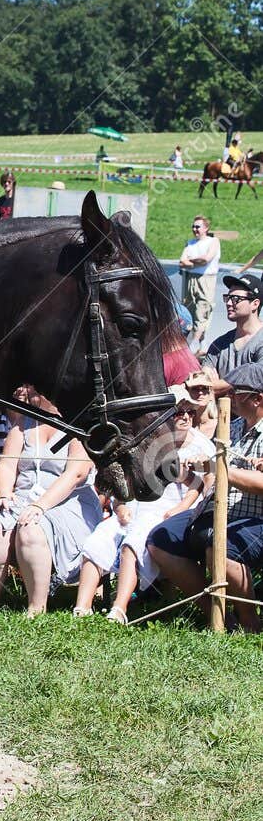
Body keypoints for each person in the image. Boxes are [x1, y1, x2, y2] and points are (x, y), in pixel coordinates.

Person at [73, 392, 213, 622]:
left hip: (166, 512)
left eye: (191, 412)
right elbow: (122, 485)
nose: (186, 417)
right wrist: (119, 507)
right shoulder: (151, 443)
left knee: (133, 542)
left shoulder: (194, 447)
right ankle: (82, 607)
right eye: (180, 412)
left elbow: (199, 485)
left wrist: (180, 508)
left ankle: (119, 609)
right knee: (99, 539)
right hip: (135, 507)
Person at [148, 360, 263, 631]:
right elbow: (212, 471)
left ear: (258, 398)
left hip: (255, 519)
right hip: (214, 509)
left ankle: (250, 623)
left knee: (220, 548)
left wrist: (218, 469)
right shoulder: (232, 427)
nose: (230, 399)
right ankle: (218, 614)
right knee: (160, 540)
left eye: (237, 394)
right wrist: (201, 469)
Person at [0, 387, 102, 616]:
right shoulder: (23, 423)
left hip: (68, 502)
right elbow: (6, 464)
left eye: (37, 390)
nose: (32, 395)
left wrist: (39, 506)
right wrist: (4, 494)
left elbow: (76, 473)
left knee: (31, 529)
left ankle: (36, 609)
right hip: (24, 497)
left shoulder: (78, 425)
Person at [205, 273, 263, 378]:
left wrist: (218, 386)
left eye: (236, 299)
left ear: (255, 304)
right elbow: (203, 380)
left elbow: (257, 379)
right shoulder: (220, 344)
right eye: (228, 297)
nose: (229, 303)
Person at [179, 216, 220, 348]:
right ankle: (197, 345)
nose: (195, 229)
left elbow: (207, 259)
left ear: (206, 228)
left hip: (206, 278)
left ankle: (195, 345)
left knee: (203, 310)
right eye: (193, 226)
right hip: (190, 278)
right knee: (188, 310)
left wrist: (191, 261)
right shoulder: (190, 243)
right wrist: (197, 261)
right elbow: (182, 261)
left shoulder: (213, 241)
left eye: (198, 227)